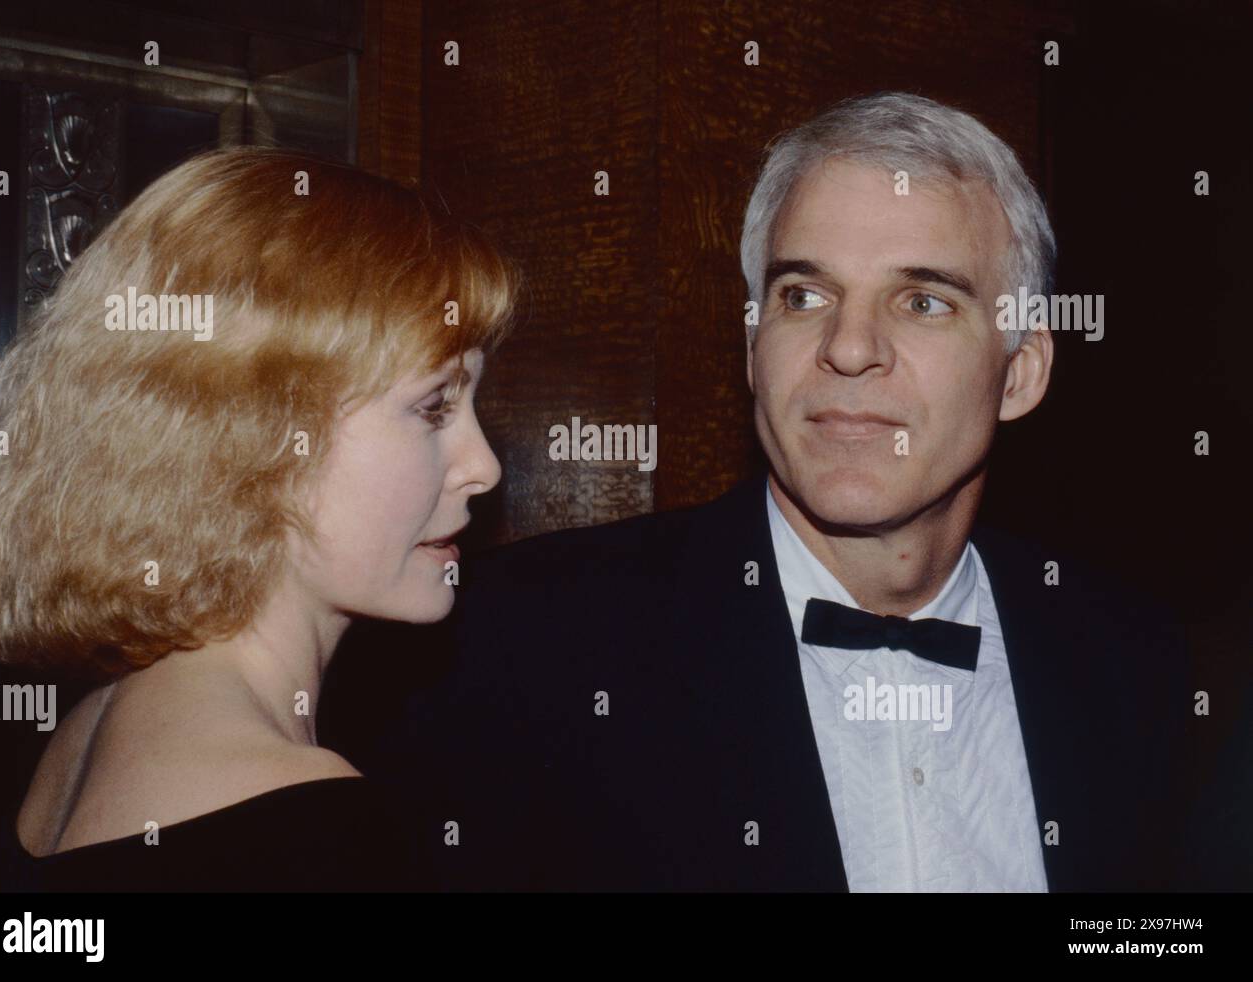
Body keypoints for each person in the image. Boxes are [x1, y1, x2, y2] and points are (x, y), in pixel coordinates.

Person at [351, 92, 1191, 891]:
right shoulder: (515, 651)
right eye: (804, 295)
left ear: (1021, 372)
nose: (850, 347)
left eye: (923, 301)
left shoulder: (1132, 668)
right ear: (754, 349)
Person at [0, 146, 516, 890]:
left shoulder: (92, 728)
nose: (484, 466)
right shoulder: (304, 828)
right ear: (255, 430)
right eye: (433, 406)